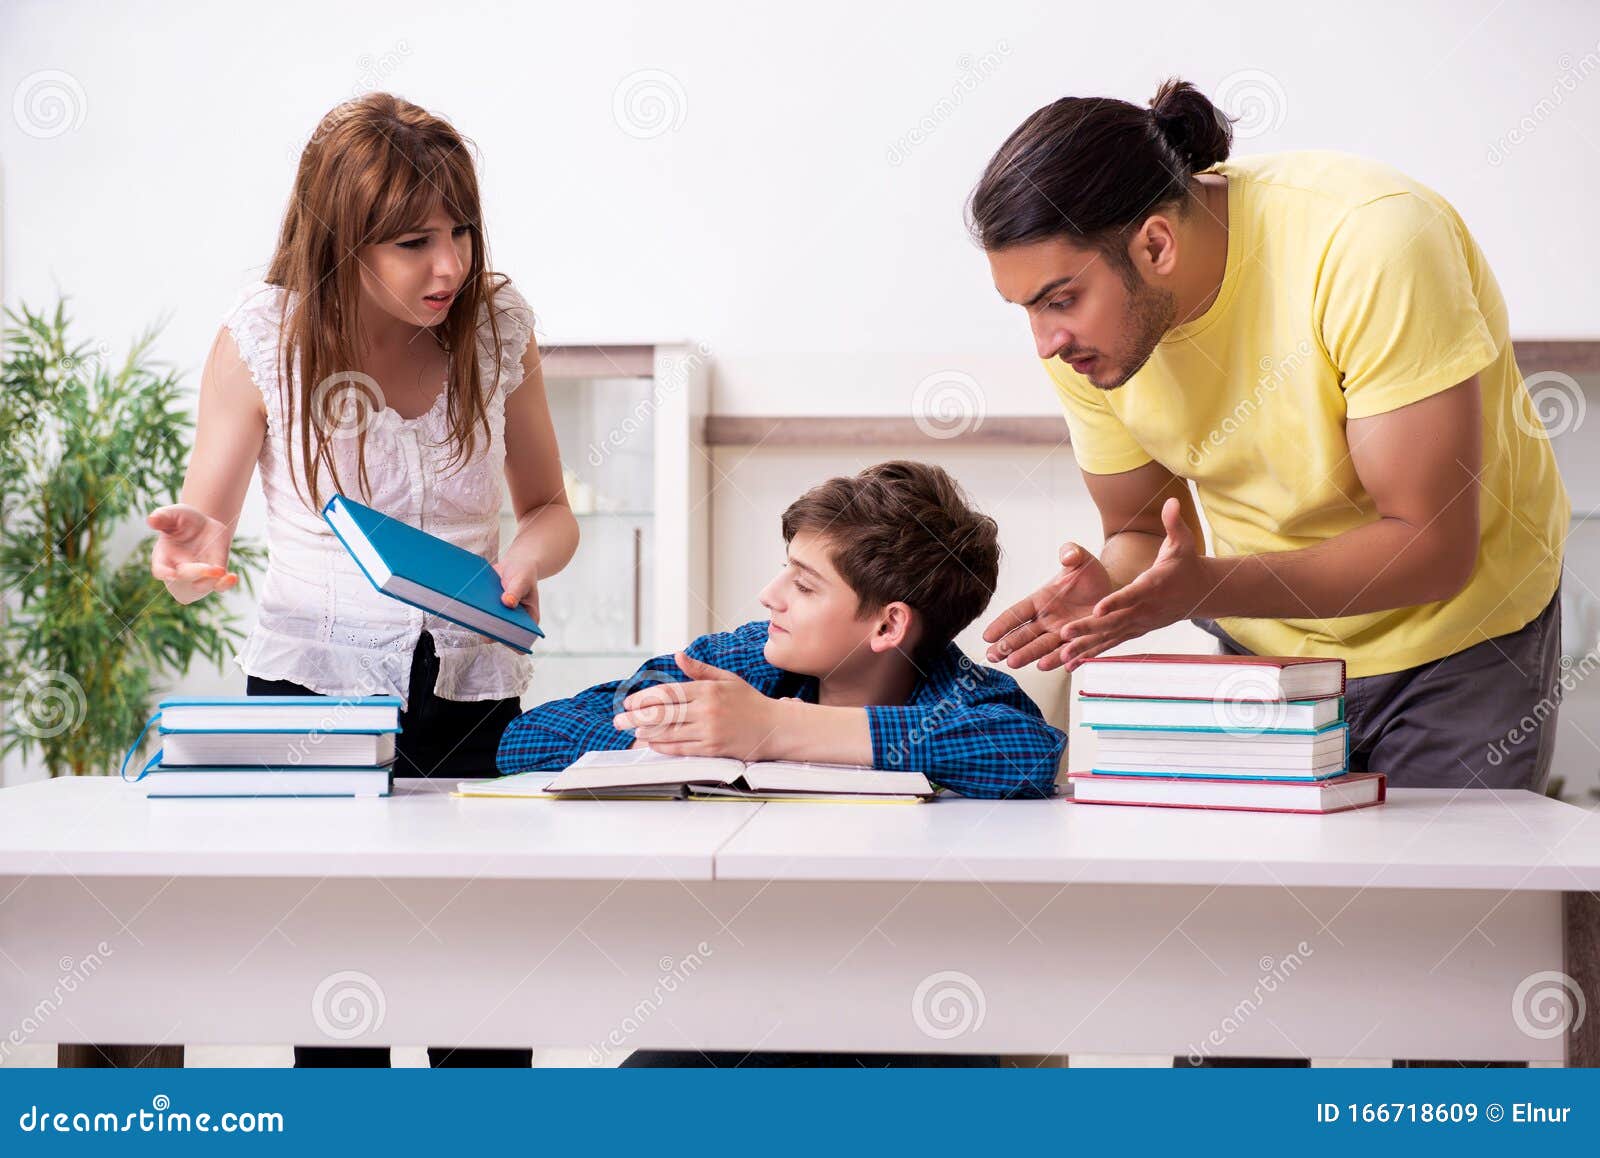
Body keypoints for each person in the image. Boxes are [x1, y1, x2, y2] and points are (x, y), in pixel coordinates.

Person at [968, 78, 1567, 1068]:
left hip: (1461, 645)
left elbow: (1428, 547)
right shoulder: (1085, 340)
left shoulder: (1369, 241)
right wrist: (1113, 588)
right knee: (1242, 993)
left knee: (1437, 999)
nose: (1044, 340)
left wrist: (1200, 589)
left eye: (1059, 300)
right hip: (1269, 654)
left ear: (1155, 245)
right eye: (1024, 308)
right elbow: (1138, 530)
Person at [140, 92, 578, 1070]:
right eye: (414, 242)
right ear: (342, 241)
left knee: (482, 1013)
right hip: (312, 697)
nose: (450, 265)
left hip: (469, 694)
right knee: (341, 1010)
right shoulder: (264, 337)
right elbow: (203, 533)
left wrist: (524, 559)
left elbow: (550, 508)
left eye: (461, 231)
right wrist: (188, 555)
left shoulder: (496, 327)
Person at [500, 461, 1065, 1065]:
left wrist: (776, 729)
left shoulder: (964, 696)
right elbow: (527, 739)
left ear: (888, 624)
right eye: (785, 570)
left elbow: (1028, 752)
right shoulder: (750, 660)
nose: (770, 595)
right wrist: (673, 734)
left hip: (917, 1011)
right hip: (746, 996)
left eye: (805, 585)